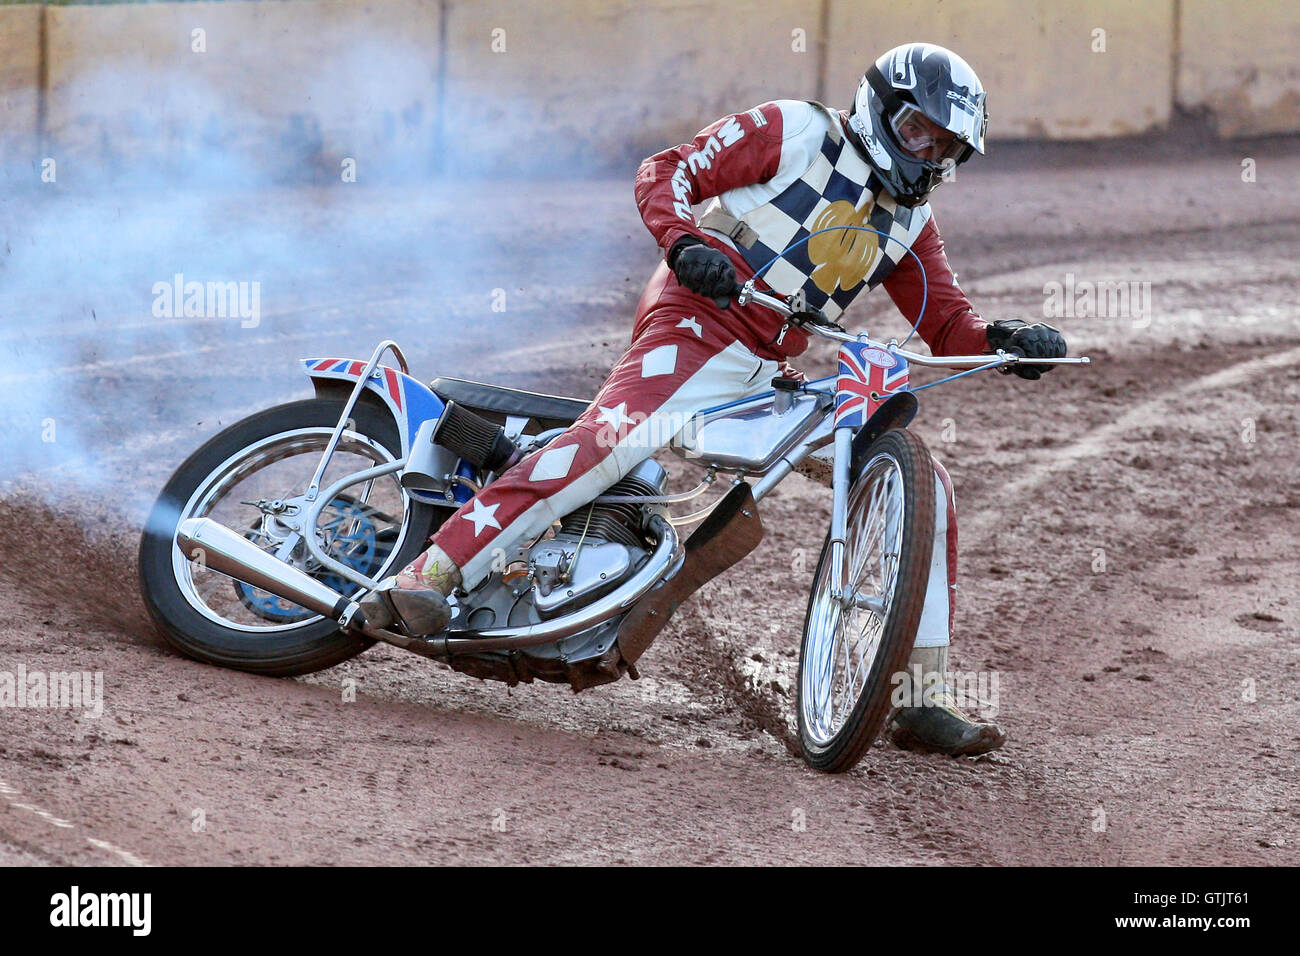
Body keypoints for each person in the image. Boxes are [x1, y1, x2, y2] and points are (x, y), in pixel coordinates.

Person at [361, 42, 1067, 756]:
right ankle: (431, 571)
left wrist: (1004, 340)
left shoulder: (911, 223)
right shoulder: (794, 129)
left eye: (946, 146)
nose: (929, 154)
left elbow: (947, 326)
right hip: (695, 321)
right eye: (920, 131)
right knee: (605, 444)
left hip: (766, 367)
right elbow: (664, 171)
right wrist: (682, 241)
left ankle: (920, 696)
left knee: (930, 488)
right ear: (882, 108)